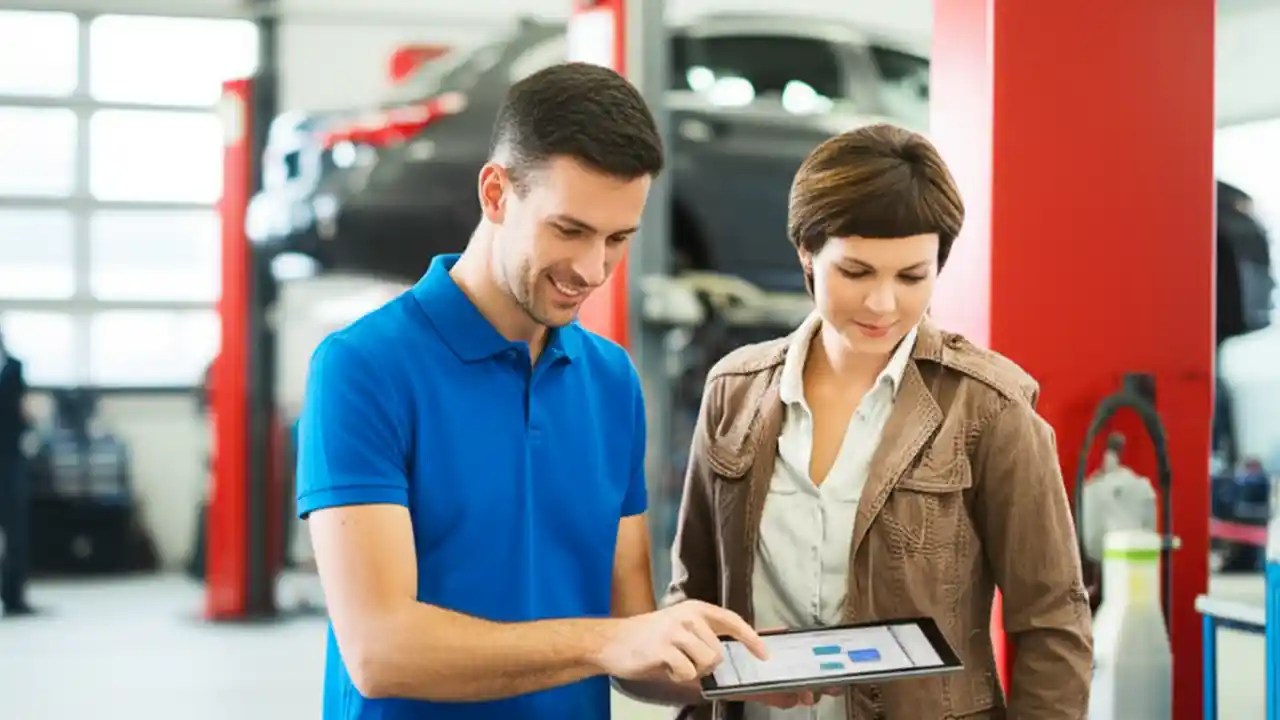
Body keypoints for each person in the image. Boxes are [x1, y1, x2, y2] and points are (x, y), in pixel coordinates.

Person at [297, 62, 765, 720]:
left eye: (618, 239)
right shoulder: (362, 368)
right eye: (569, 230)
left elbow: (627, 640)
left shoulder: (611, 381)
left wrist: (738, 672)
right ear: (496, 193)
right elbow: (381, 650)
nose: (592, 268)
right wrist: (608, 642)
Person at [663, 124, 1093, 719]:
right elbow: (695, 599)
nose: (883, 304)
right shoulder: (732, 392)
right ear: (807, 253)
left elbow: (1053, 625)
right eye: (857, 272)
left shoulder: (990, 406)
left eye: (912, 277)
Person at [0, 328, 34, 617]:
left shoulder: (14, 367)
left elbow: (24, 410)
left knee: (16, 532)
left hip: (10, 458)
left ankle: (14, 596)